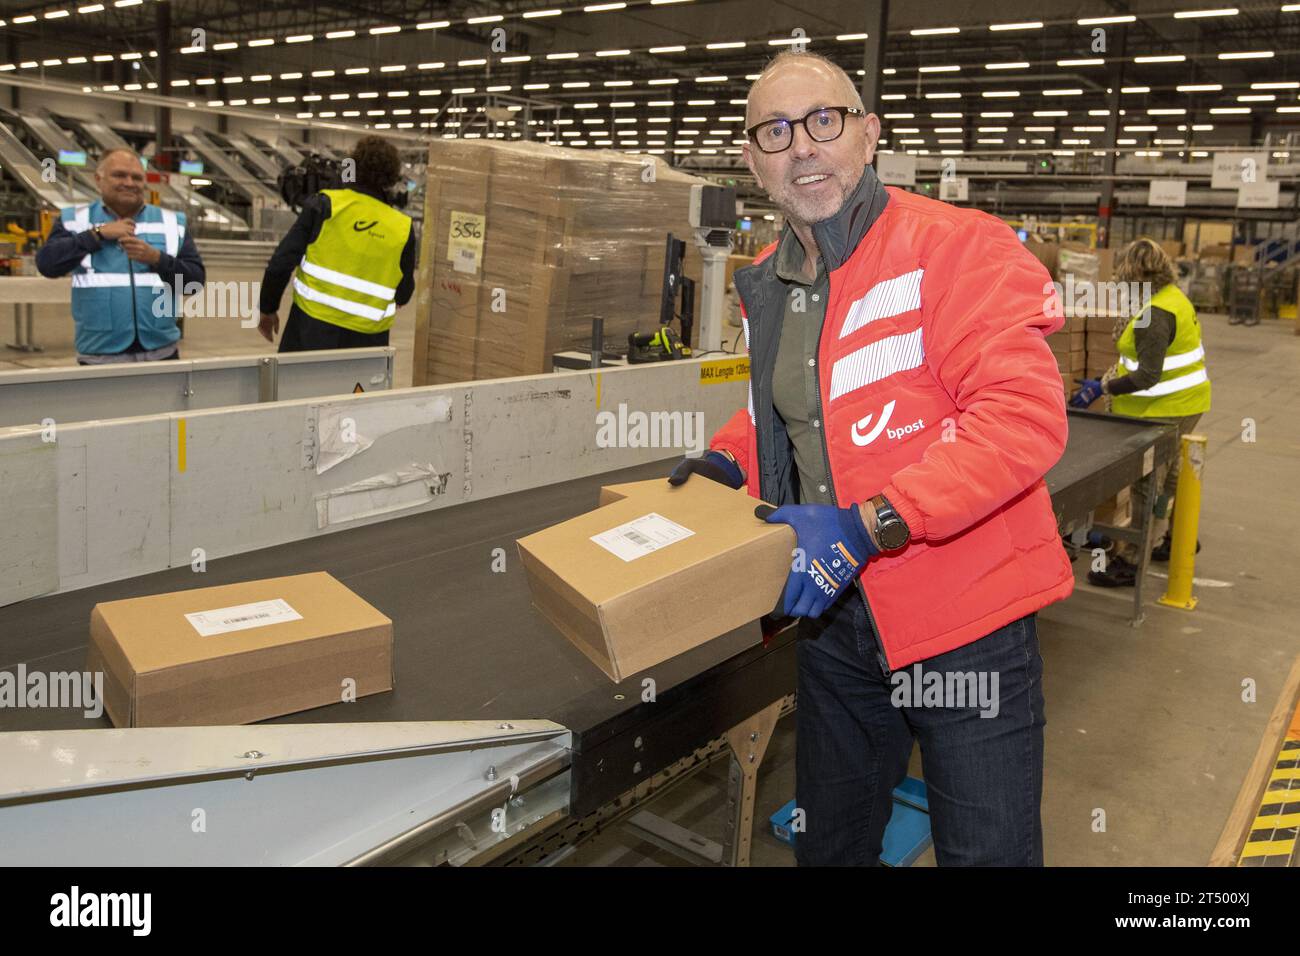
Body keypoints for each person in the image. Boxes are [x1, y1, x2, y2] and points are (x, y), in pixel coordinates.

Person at [668, 51, 1073, 866]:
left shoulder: (958, 249)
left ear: (869, 135)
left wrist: (874, 523)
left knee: (987, 852)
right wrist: (726, 461)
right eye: (775, 133)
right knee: (833, 844)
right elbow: (785, 410)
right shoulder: (768, 280)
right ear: (752, 161)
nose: (803, 148)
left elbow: (1021, 419)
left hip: (967, 619)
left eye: (825, 121)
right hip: (837, 624)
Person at [1072, 239, 1211, 585]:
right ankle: (1175, 539)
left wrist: (1101, 388)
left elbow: (1147, 375)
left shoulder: (1156, 314)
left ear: (1132, 273)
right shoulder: (1170, 297)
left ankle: (1133, 561)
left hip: (1166, 408)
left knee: (1149, 481)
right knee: (1175, 476)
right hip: (1185, 401)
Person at [36, 148, 204, 364]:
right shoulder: (74, 220)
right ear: (99, 179)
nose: (129, 182)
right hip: (99, 354)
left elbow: (195, 282)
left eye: (137, 177)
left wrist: (157, 259)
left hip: (161, 352)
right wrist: (96, 235)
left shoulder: (172, 222)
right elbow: (47, 265)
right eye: (119, 175)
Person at [257, 136, 416, 351]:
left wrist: (268, 309)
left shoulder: (325, 205)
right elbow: (403, 293)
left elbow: (281, 263)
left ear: (354, 167)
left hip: (309, 331)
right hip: (368, 343)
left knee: (298, 384)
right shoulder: (402, 227)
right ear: (392, 178)